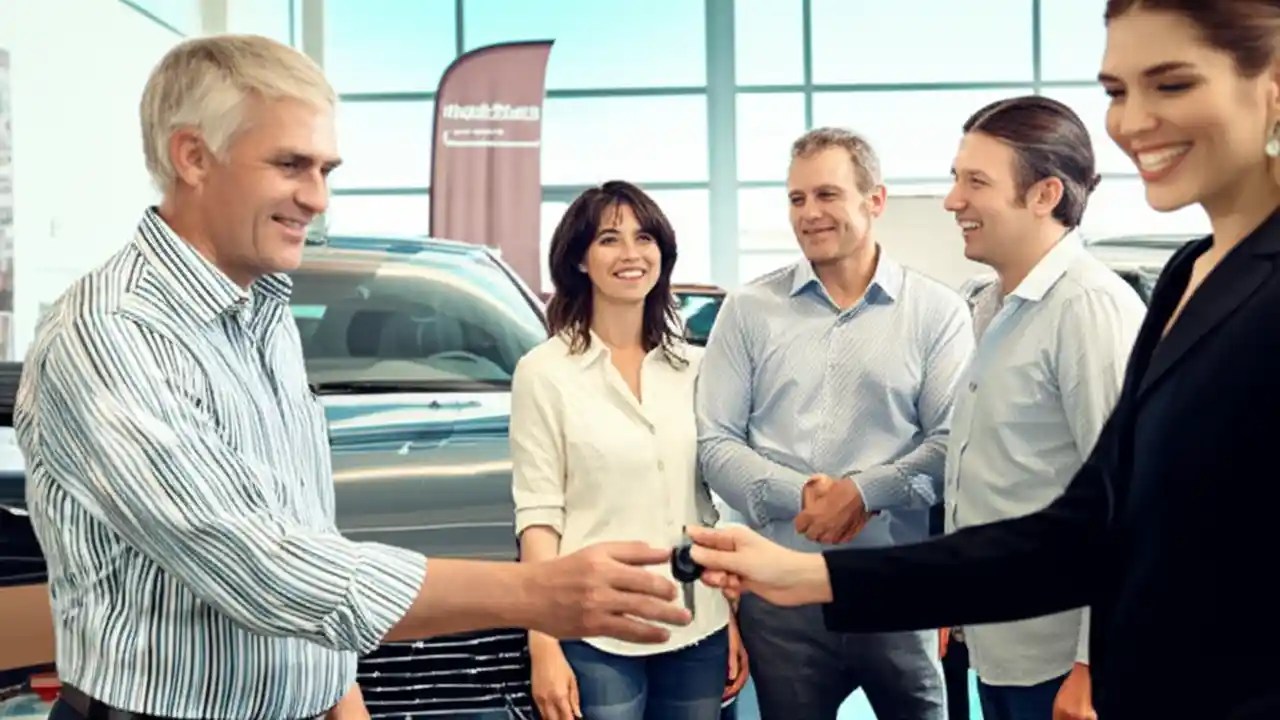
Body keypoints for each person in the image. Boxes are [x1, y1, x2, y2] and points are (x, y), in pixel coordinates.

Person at [13, 35, 691, 720]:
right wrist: (534, 594)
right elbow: (263, 568)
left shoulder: (264, 315)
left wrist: (342, 696)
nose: (317, 198)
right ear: (193, 156)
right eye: (290, 165)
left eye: (326, 169)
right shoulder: (113, 333)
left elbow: (304, 529)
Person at [684, 2, 1280, 718]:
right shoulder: (1173, 279)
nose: (1129, 122)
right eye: (1116, 91)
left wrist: (1092, 662)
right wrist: (815, 576)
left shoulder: (1091, 305)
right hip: (1030, 647)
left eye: (1173, 83)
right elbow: (1073, 529)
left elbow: (1147, 531)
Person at [695, 127, 974, 720]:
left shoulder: (938, 312)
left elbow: (952, 442)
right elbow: (715, 441)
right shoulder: (748, 310)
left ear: (875, 200)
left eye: (827, 194)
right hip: (779, 597)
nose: (810, 213)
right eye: (797, 199)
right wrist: (805, 497)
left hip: (896, 588)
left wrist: (862, 494)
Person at [942, 95, 1146, 720]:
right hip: (1001, 644)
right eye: (956, 178)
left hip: (1062, 667)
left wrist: (1093, 665)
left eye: (975, 182)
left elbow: (1129, 502)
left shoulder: (1087, 310)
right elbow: (994, 471)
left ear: (1044, 194)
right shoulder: (993, 306)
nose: (952, 200)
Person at [511, 180, 746, 720]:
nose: (631, 253)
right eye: (609, 239)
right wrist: (543, 645)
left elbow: (703, 507)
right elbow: (539, 516)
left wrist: (728, 614)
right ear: (579, 260)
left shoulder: (695, 368)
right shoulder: (544, 373)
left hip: (696, 624)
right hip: (594, 630)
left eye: (644, 238)